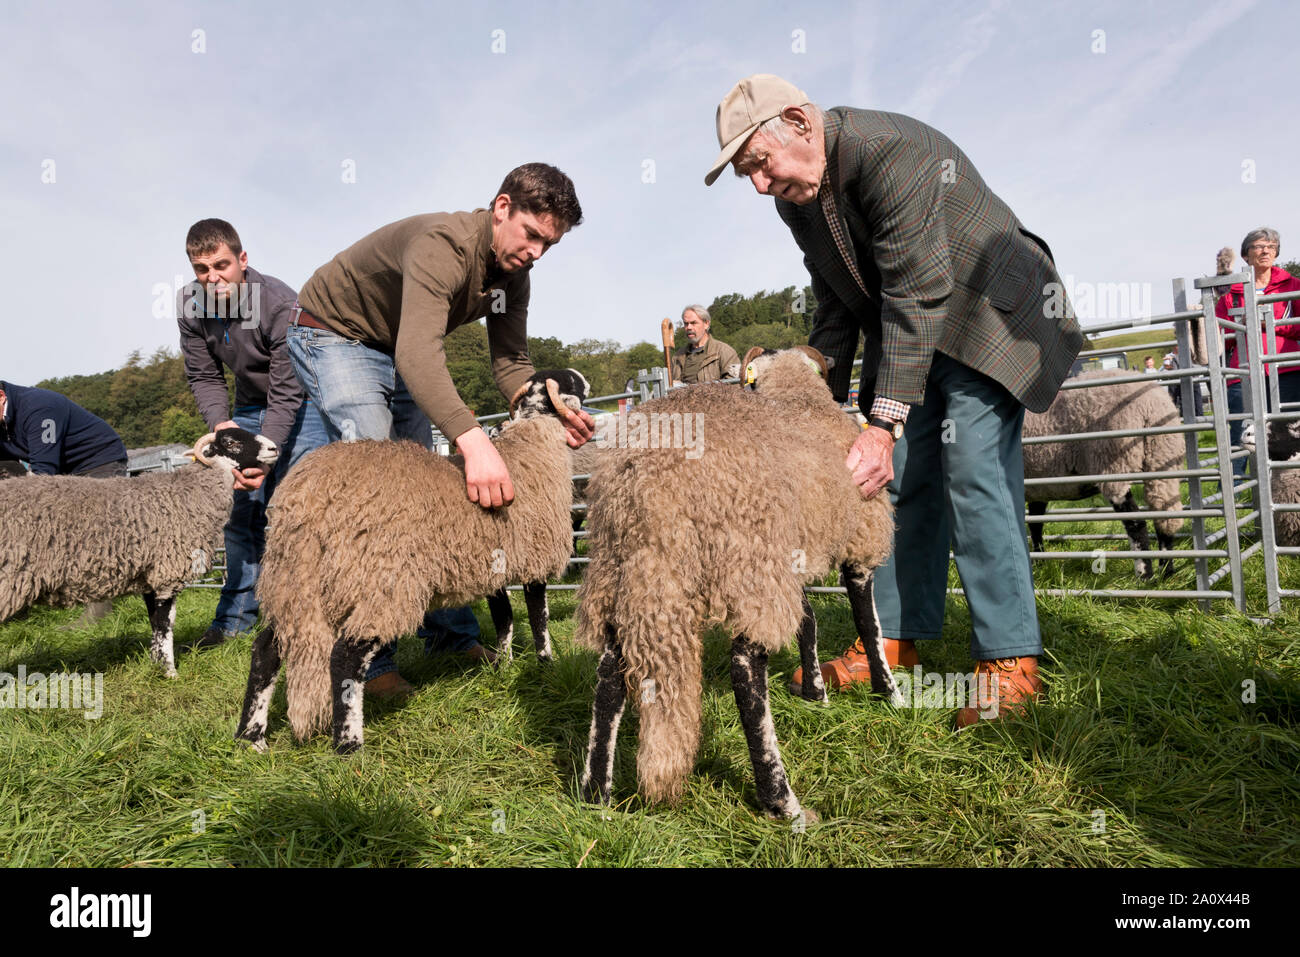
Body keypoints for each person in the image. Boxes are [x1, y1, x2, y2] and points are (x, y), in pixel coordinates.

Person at [705, 74, 1083, 727]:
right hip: (912, 328)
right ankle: (889, 641)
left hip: (986, 314)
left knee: (972, 472)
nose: (760, 185)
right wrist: (809, 371)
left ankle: (1011, 660)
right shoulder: (796, 201)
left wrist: (881, 424)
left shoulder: (890, 152)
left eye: (760, 163)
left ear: (799, 121)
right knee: (896, 480)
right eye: (747, 176)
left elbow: (913, 290)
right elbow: (836, 305)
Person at [287, 162, 594, 697]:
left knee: (428, 488)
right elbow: (418, 351)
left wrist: (544, 403)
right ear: (503, 208)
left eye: (550, 244)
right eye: (532, 234)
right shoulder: (442, 246)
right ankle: (369, 661)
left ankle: (447, 636)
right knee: (381, 482)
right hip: (337, 333)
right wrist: (472, 440)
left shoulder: (513, 278)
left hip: (395, 344)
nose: (537, 252)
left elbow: (511, 364)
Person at [179, 219, 331, 646]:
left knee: (296, 508)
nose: (213, 277)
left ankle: (307, 619)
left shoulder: (279, 304)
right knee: (240, 507)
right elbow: (203, 375)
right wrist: (221, 425)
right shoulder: (191, 305)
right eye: (201, 269)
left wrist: (265, 456)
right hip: (245, 406)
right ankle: (235, 620)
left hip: (304, 402)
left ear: (242, 260)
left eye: (221, 265)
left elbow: (286, 392)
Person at [0, 380, 129, 624]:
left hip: (97, 462)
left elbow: (44, 474)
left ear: (1, 397)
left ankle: (99, 611)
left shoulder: (40, 408)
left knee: (92, 535)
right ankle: (15, 602)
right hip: (58, 466)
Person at [1214, 228, 1300, 477]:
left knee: (1289, 430)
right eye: (1259, 246)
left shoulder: (1293, 286)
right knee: (1240, 432)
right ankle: (1235, 487)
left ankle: (1288, 483)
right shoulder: (1231, 295)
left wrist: (1268, 324)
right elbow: (1221, 336)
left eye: (1271, 246)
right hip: (1244, 374)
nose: (1265, 251)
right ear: (1245, 255)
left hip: (1288, 371)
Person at [670, 305, 741, 384]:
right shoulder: (677, 357)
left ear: (706, 324)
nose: (689, 327)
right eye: (686, 324)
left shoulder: (724, 352)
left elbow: (734, 386)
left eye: (693, 323)